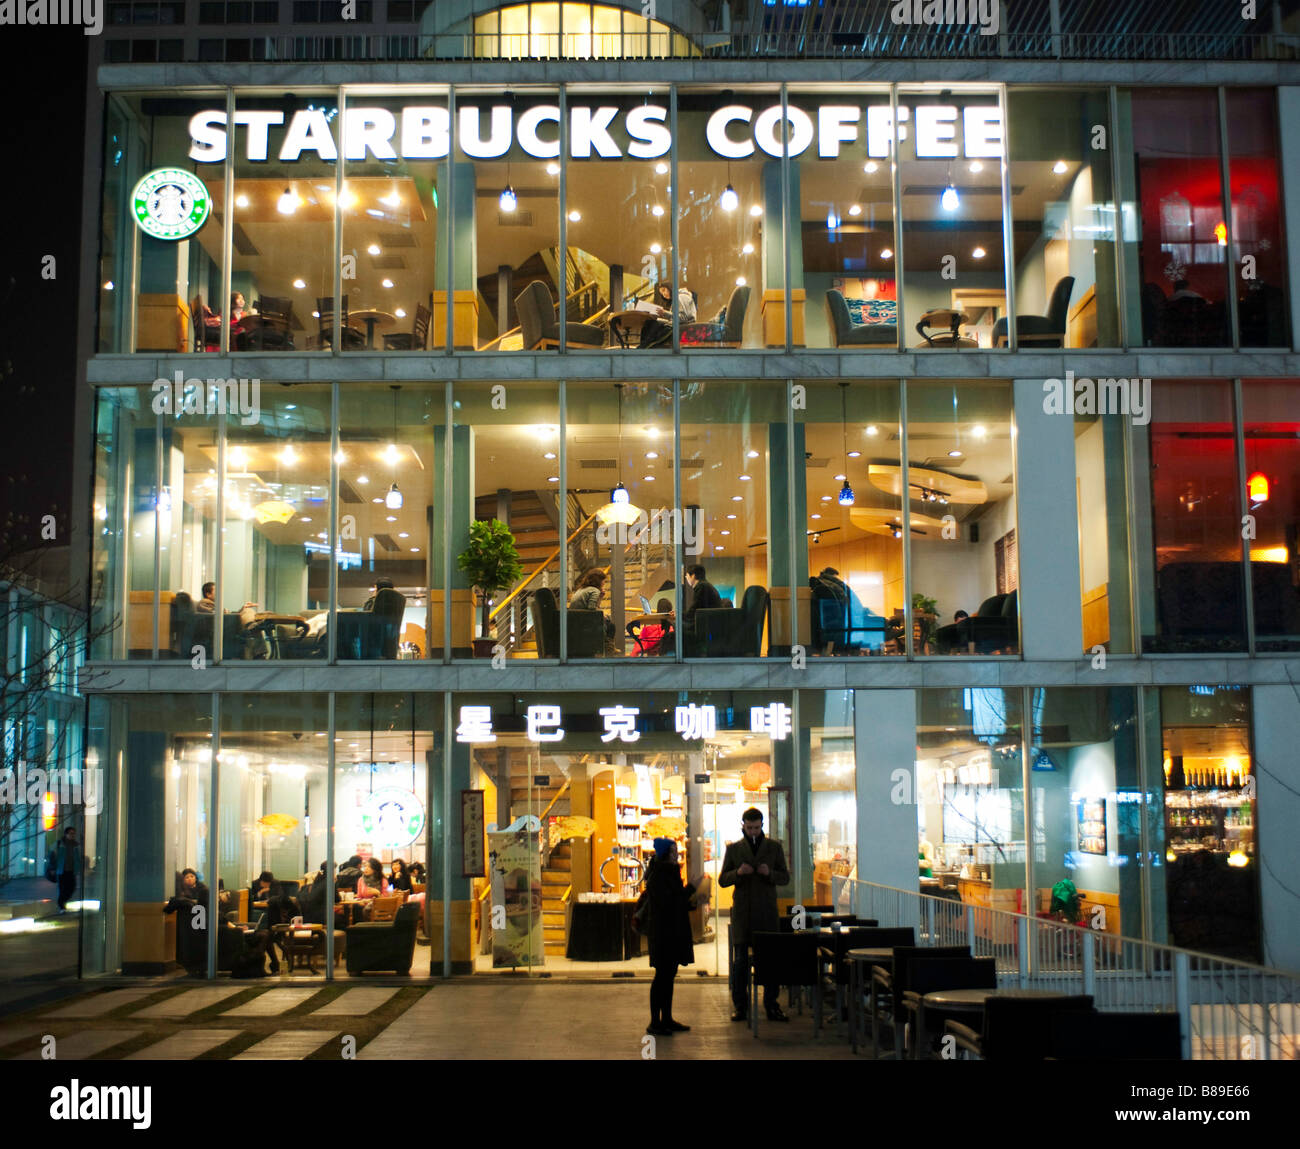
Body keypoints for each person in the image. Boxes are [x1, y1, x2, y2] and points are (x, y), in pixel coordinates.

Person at [718, 807, 790, 1022]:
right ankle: (740, 1006)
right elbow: (723, 880)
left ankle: (771, 1004)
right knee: (740, 962)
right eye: (749, 828)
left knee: (770, 961)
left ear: (762, 826)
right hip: (743, 912)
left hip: (767, 912)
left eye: (757, 828)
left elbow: (785, 877)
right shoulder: (734, 850)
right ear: (743, 826)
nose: (753, 832)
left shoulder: (774, 848)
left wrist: (770, 874)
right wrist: (738, 873)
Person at [635, 838, 696, 1036]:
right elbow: (671, 902)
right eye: (673, 851)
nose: (676, 854)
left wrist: (691, 898)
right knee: (662, 976)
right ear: (665, 854)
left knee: (668, 976)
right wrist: (691, 890)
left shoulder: (665, 871)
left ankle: (666, 1018)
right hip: (664, 933)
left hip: (669, 931)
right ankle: (655, 1022)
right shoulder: (662, 874)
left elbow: (676, 900)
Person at [669, 564, 722, 653]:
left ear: (693, 575)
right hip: (709, 622)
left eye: (687, 576)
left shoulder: (702, 587)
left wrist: (679, 615)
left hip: (705, 625)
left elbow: (694, 611)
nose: (686, 579)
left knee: (676, 624)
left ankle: (684, 654)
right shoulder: (705, 586)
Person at [569, 569, 620, 655]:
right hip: (585, 621)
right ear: (598, 581)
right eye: (603, 581)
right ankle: (608, 649)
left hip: (576, 620)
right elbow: (592, 609)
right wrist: (602, 615)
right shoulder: (594, 590)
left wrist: (600, 597)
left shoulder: (581, 589)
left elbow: (594, 607)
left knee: (606, 619)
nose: (604, 583)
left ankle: (607, 648)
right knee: (611, 625)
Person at [52, 827, 80, 913]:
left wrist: (78, 868)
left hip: (71, 870)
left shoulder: (75, 845)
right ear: (66, 834)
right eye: (71, 833)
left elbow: (77, 858)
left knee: (71, 888)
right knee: (63, 888)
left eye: (73, 833)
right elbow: (53, 856)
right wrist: (53, 868)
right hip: (61, 870)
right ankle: (61, 906)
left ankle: (62, 903)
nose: (72, 835)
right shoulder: (60, 844)